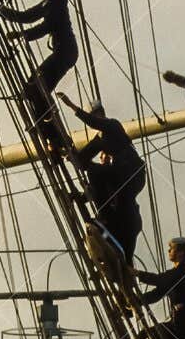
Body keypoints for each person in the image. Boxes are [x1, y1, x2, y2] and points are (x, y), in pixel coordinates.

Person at [57, 93, 145, 265]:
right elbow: (82, 161)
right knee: (97, 175)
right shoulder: (100, 140)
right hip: (122, 180)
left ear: (102, 113)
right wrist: (69, 154)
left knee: (97, 173)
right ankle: (113, 236)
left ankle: (106, 220)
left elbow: (94, 123)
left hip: (132, 172)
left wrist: (72, 106)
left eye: (98, 114)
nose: (97, 118)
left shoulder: (113, 125)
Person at [0, 0, 78, 151]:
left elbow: (46, 26)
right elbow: (27, 16)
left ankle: (55, 136)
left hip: (65, 52)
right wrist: (3, 11)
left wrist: (22, 35)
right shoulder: (50, 1)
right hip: (64, 53)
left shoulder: (57, 1)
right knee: (35, 89)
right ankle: (53, 136)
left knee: (36, 88)